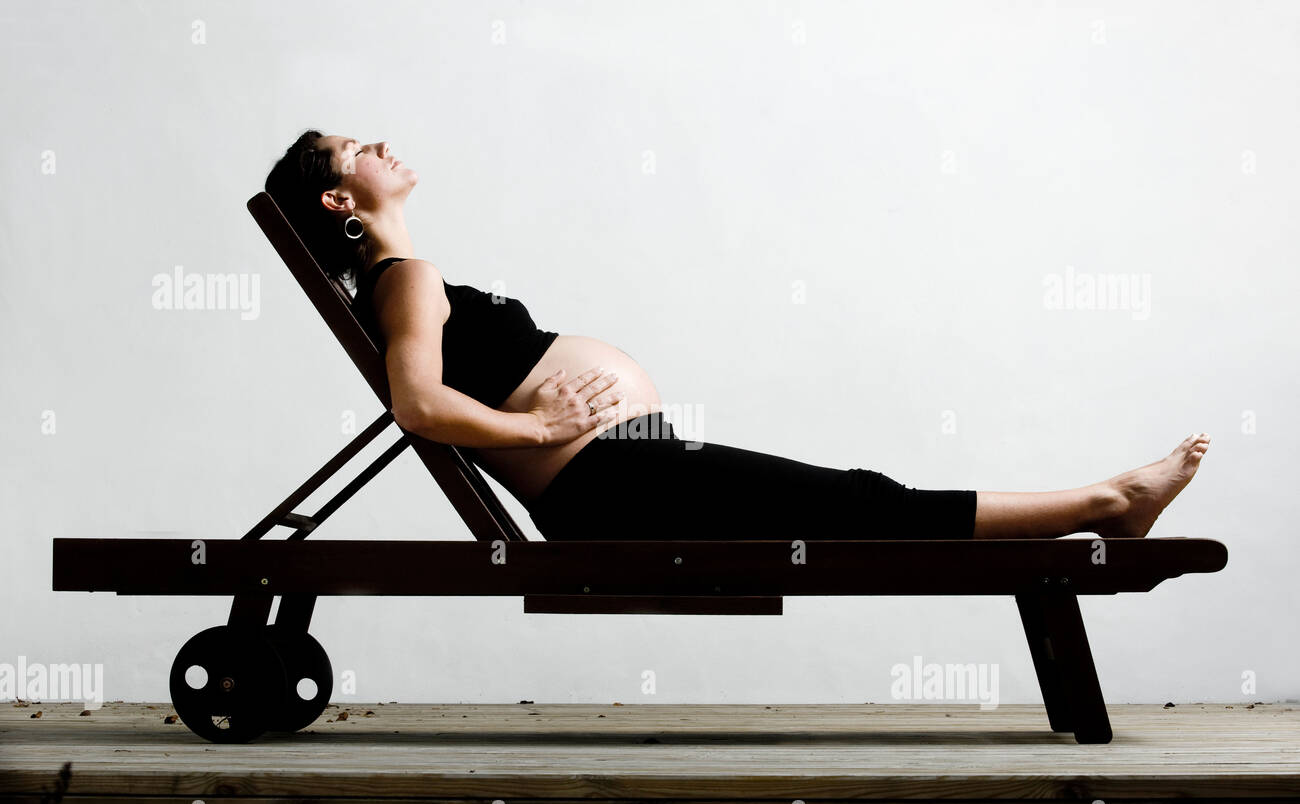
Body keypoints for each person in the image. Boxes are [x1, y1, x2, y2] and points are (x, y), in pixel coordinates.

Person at [264, 131, 1211, 541]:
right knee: (865, 504)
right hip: (609, 481)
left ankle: (1104, 503)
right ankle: (1107, 499)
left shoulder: (408, 280)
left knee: (859, 508)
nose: (380, 145)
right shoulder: (408, 281)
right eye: (356, 151)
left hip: (626, 470)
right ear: (340, 201)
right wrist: (542, 427)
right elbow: (418, 404)